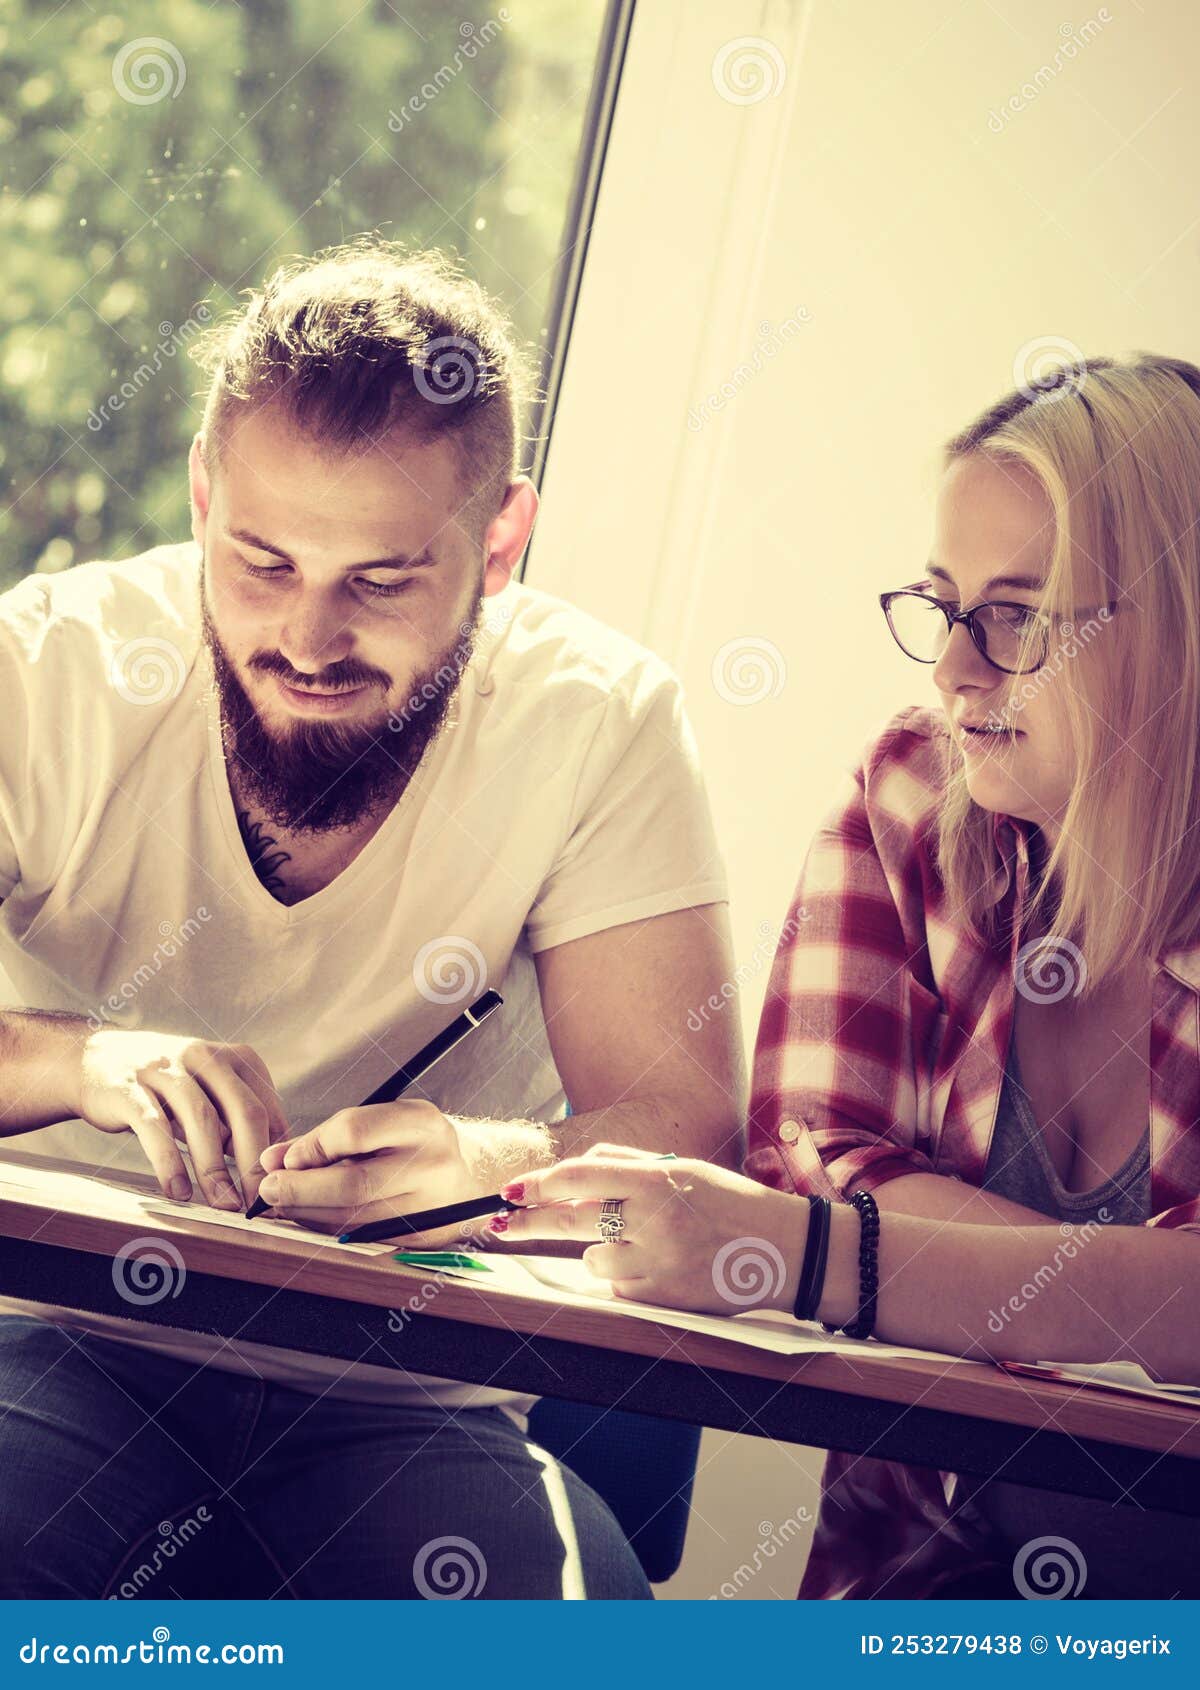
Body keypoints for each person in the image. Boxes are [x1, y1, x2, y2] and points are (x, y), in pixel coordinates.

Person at [0, 238, 744, 1599]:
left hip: (410, 1388)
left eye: (382, 580)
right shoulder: (48, 665)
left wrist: (487, 1158)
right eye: (261, 561)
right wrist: (79, 1061)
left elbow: (686, 1127)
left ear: (503, 539)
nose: (307, 636)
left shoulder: (599, 719)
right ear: (202, 493)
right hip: (51, 1335)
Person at [498, 353, 1200, 1600]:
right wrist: (1107, 1293)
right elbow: (812, 1148)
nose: (957, 673)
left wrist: (830, 1256)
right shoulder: (913, 795)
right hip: (919, 1578)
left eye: (1020, 616)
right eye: (946, 606)